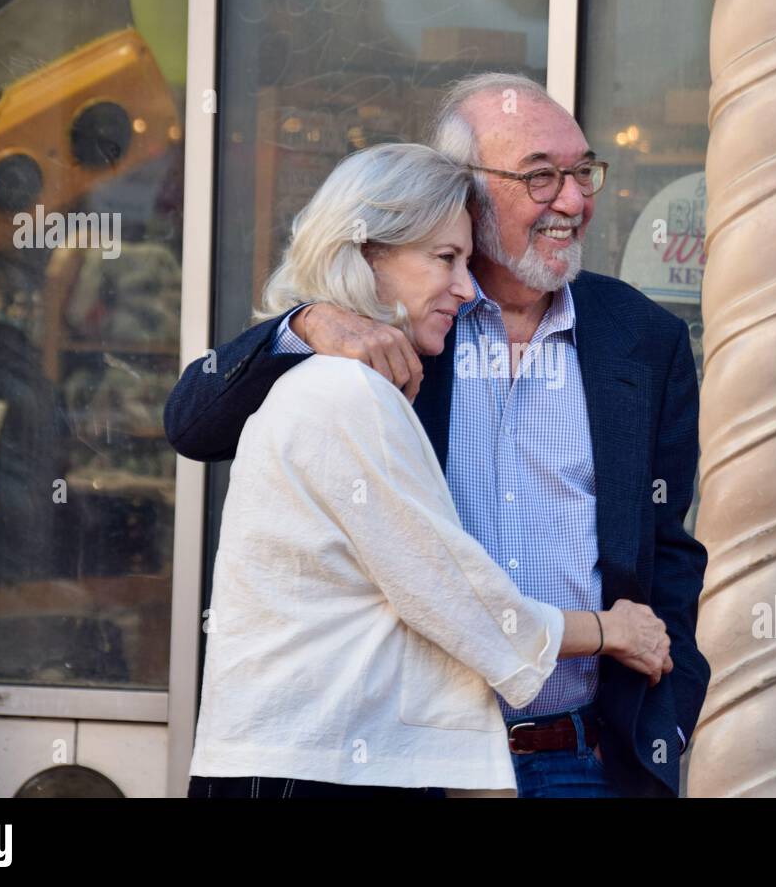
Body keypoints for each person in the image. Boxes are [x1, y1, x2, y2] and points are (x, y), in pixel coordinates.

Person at [168, 73, 710, 798]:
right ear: (468, 190)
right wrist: (304, 323)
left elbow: (668, 547)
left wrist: (666, 725)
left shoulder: (644, 339)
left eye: (583, 172)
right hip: (413, 765)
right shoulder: (380, 346)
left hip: (583, 756)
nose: (575, 201)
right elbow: (192, 423)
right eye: (542, 176)